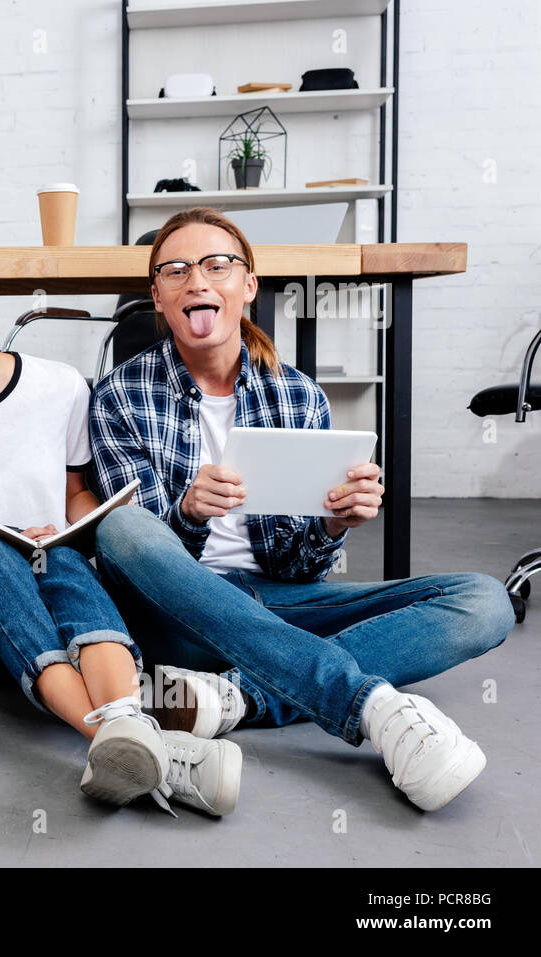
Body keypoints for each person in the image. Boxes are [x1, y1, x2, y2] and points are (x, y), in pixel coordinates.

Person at [90, 206, 514, 811]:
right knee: (124, 525)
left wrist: (333, 523)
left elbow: (299, 570)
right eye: (177, 270)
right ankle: (367, 704)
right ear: (157, 295)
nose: (198, 281)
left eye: (218, 265)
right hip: (184, 622)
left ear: (249, 285)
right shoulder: (120, 396)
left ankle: (237, 698)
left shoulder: (297, 395)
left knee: (482, 601)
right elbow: (142, 562)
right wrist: (186, 513)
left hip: (281, 604)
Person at [0, 233, 242, 816]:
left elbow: (75, 494)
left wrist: (88, 521)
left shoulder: (61, 387)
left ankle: (126, 729)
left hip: (48, 587)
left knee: (65, 556)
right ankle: (122, 740)